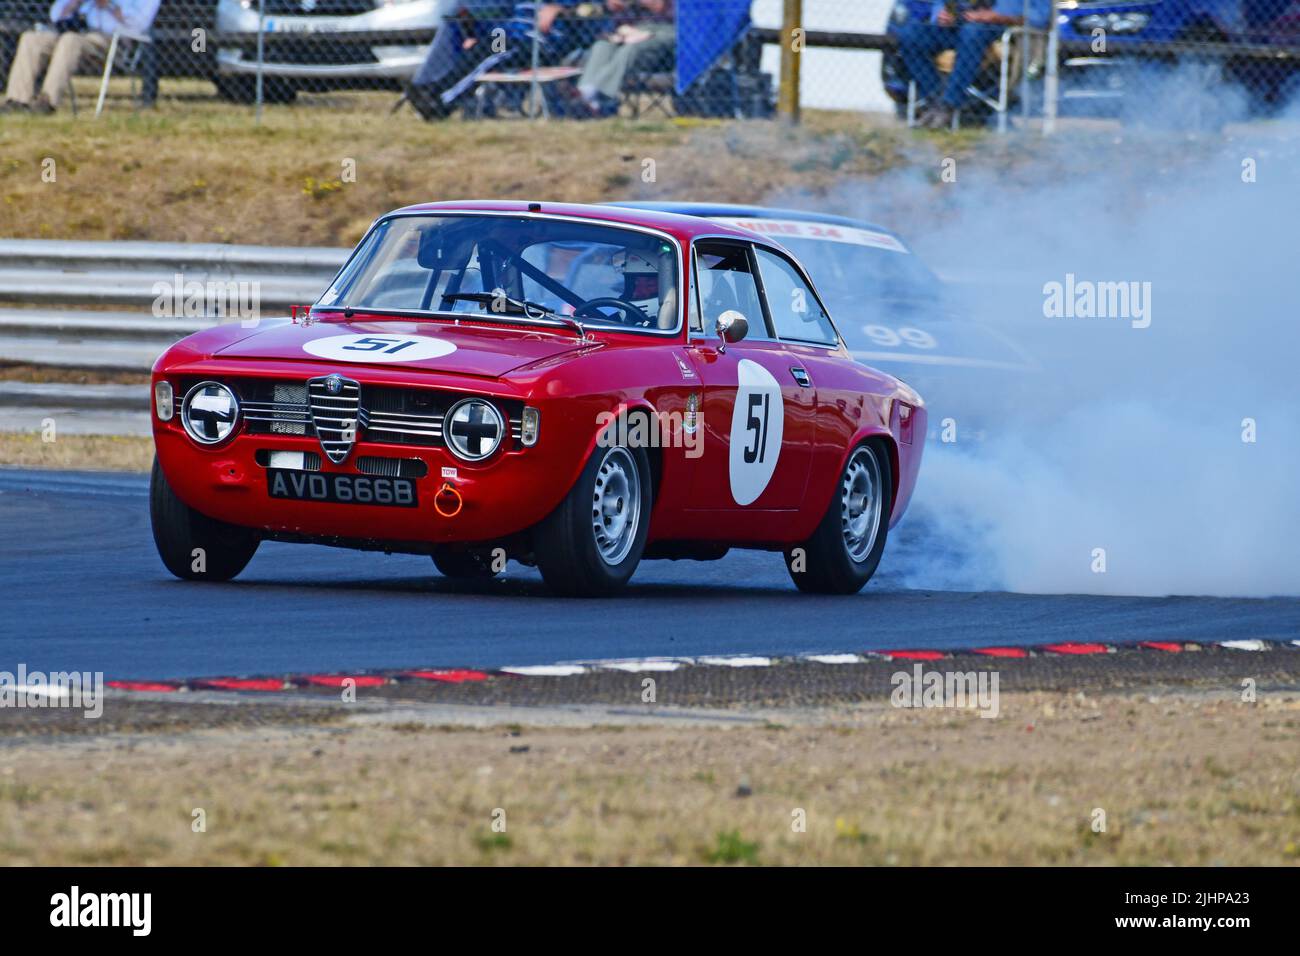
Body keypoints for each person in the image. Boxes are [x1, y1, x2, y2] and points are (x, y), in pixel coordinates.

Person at [407, 2, 597, 121]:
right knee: (481, 50)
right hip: (508, 34)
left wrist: (559, 8)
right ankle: (433, 91)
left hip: (537, 43)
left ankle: (440, 101)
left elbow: (592, 9)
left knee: (492, 56)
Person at [897, 0, 1049, 129]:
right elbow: (940, 4)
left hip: (1000, 29)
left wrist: (998, 17)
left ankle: (948, 105)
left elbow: (1041, 17)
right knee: (910, 35)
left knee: (972, 33)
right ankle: (935, 100)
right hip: (956, 27)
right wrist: (941, 15)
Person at [0, 0, 160, 114]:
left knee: (70, 40)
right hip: (77, 35)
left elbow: (140, 24)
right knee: (32, 39)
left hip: (113, 42)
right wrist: (75, 3)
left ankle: (47, 102)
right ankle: (17, 100)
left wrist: (110, 5)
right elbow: (56, 14)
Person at [575, 0, 674, 117]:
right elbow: (620, 19)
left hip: (668, 31)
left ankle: (589, 93)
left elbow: (659, 6)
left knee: (631, 48)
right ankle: (589, 95)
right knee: (602, 46)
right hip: (635, 29)